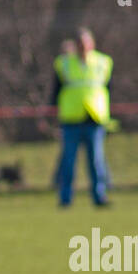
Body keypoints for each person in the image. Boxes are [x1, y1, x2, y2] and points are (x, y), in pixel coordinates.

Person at [53, 27, 113, 207]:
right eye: (79, 43)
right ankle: (65, 199)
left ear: (92, 44)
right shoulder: (64, 64)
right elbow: (56, 91)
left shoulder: (103, 62)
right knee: (69, 161)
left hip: (94, 118)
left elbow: (108, 89)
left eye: (85, 43)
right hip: (71, 118)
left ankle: (99, 197)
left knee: (96, 161)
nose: (83, 47)